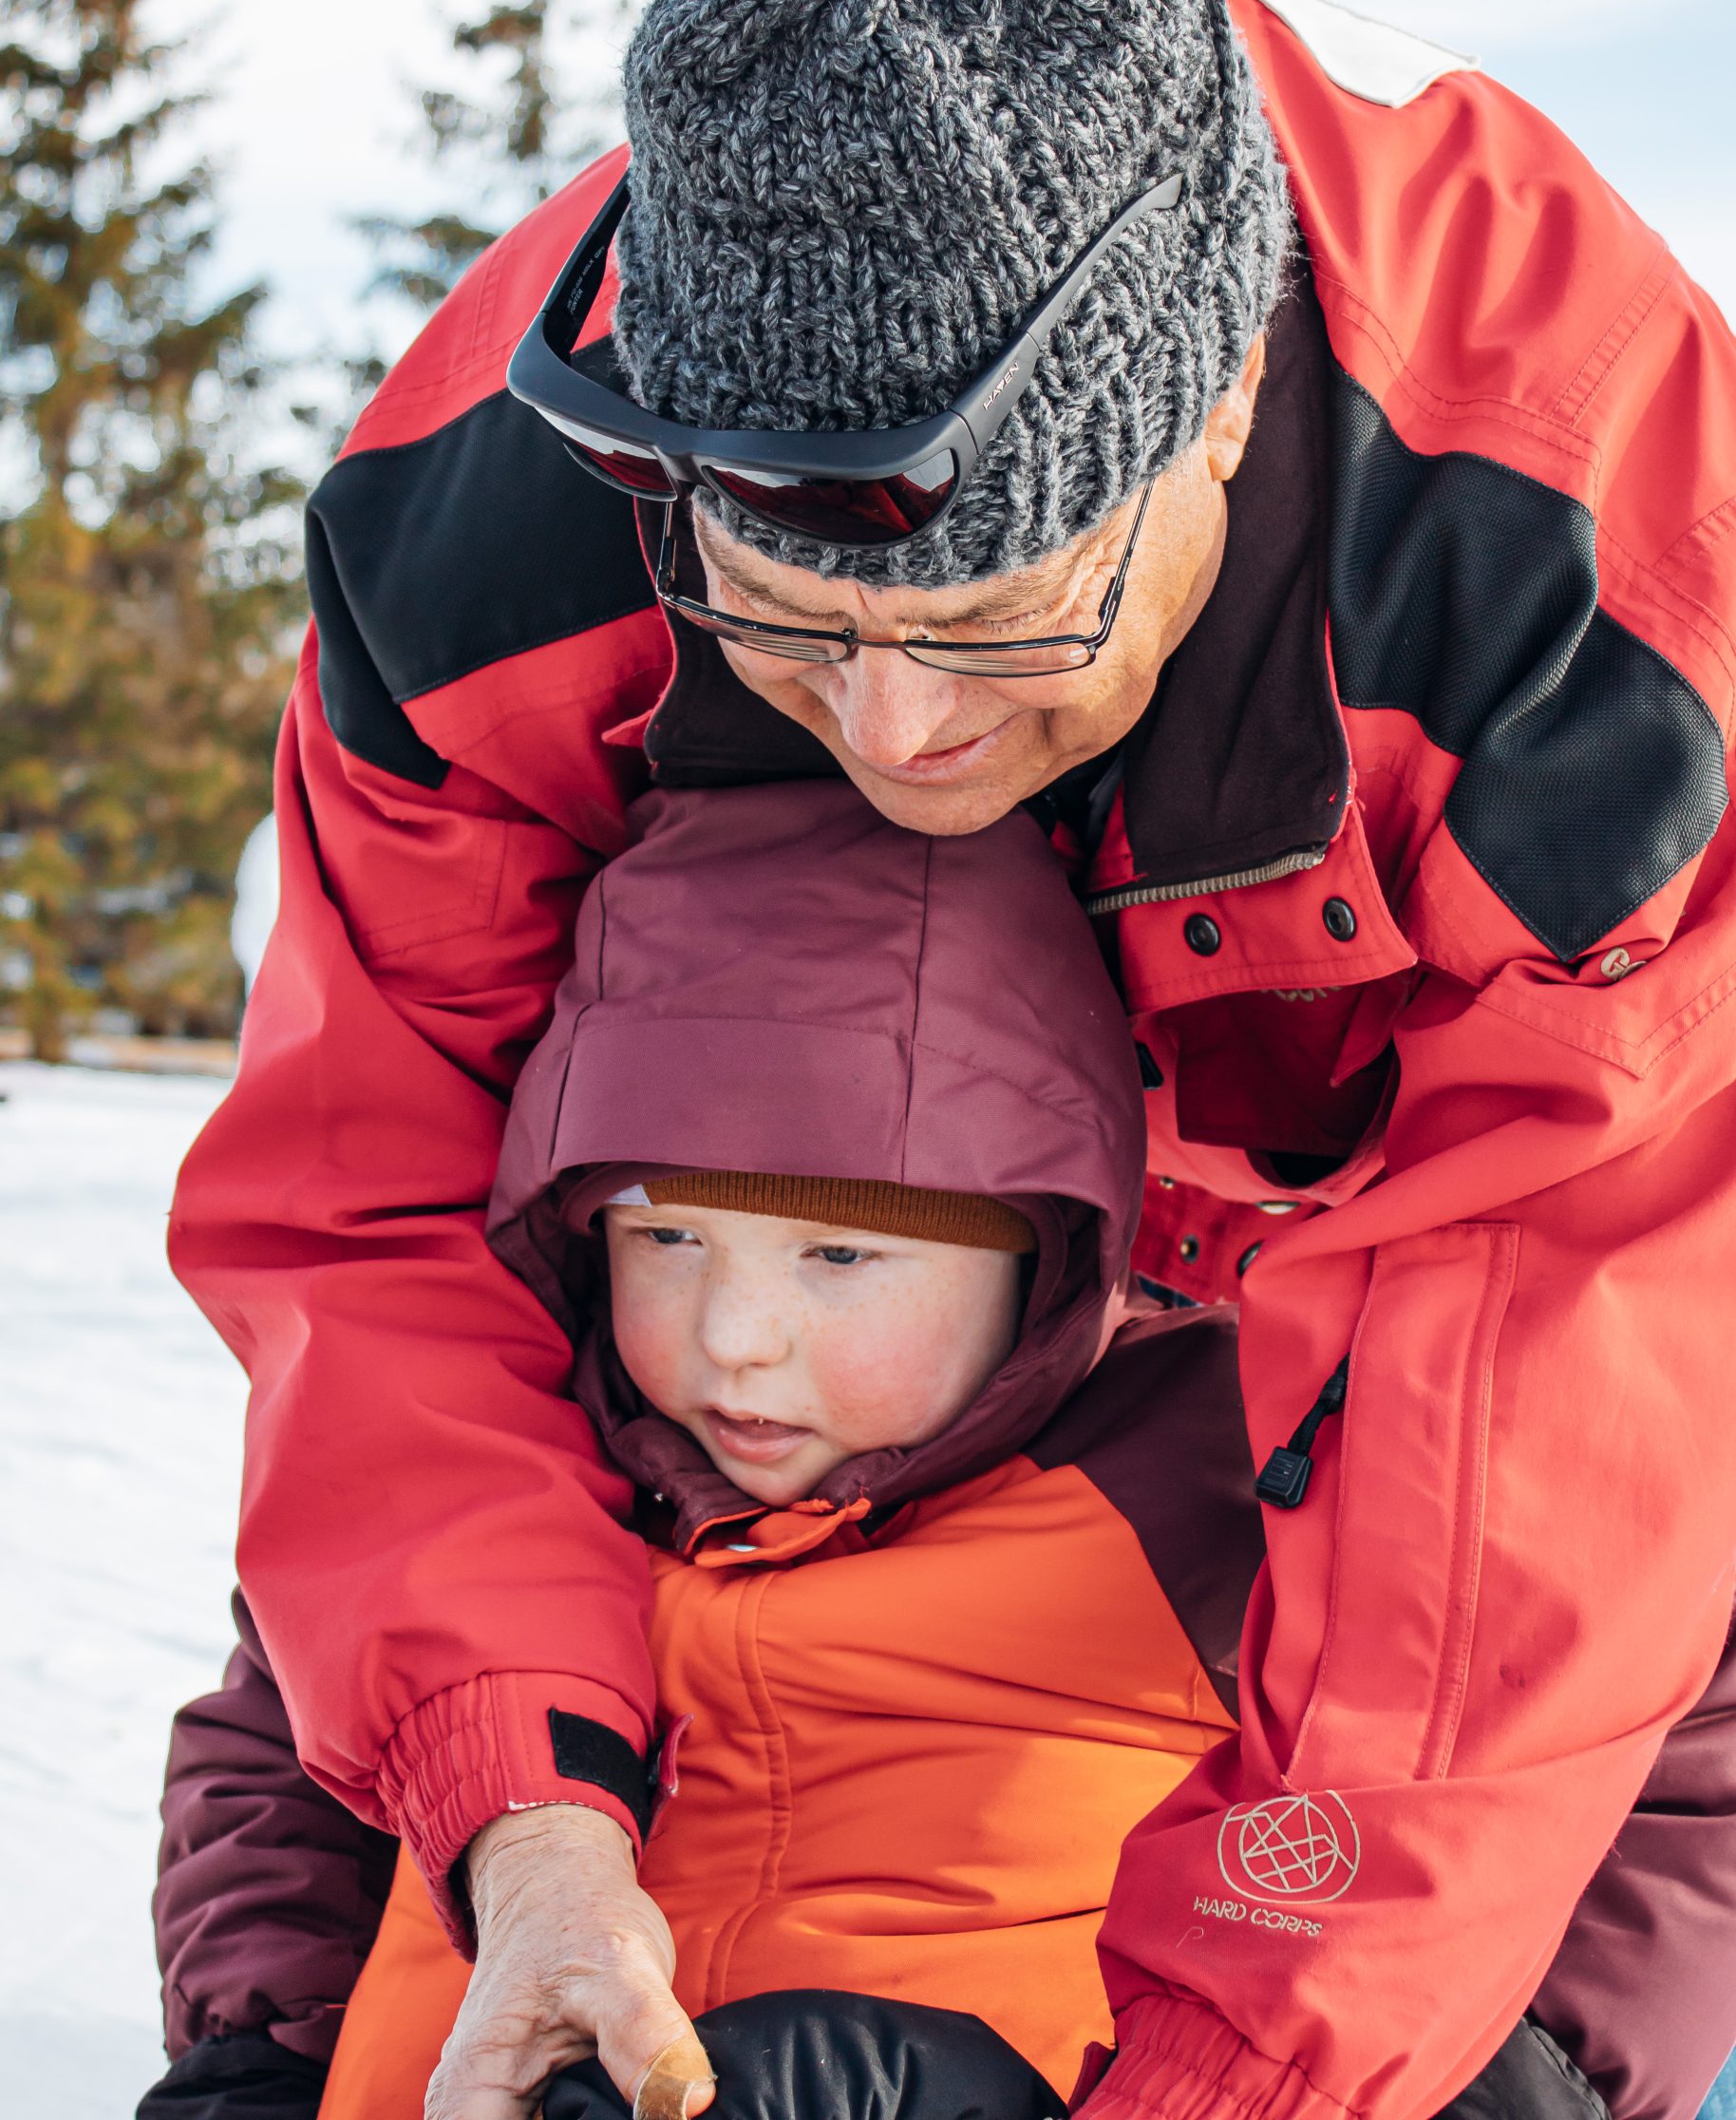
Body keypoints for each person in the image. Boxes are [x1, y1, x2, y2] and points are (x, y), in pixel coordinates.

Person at [165, 0, 1736, 2120]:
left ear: (1204, 410)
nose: (902, 736)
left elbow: (1537, 1402)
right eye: (790, 627)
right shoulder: (466, 558)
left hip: (1405, 1333)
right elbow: (383, 1224)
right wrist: (523, 1817)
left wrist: (1252, 2067)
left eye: (1003, 630)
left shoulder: (1581, 593)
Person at [144, 786, 1731, 2120]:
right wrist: (257, 2054)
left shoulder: (1212, 1475)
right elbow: (288, 1727)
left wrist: (1524, 2079)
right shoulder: (515, 1461)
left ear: (1049, 1251)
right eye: (667, 1234)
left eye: (842, 1260)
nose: (736, 1339)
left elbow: (1632, 1693)